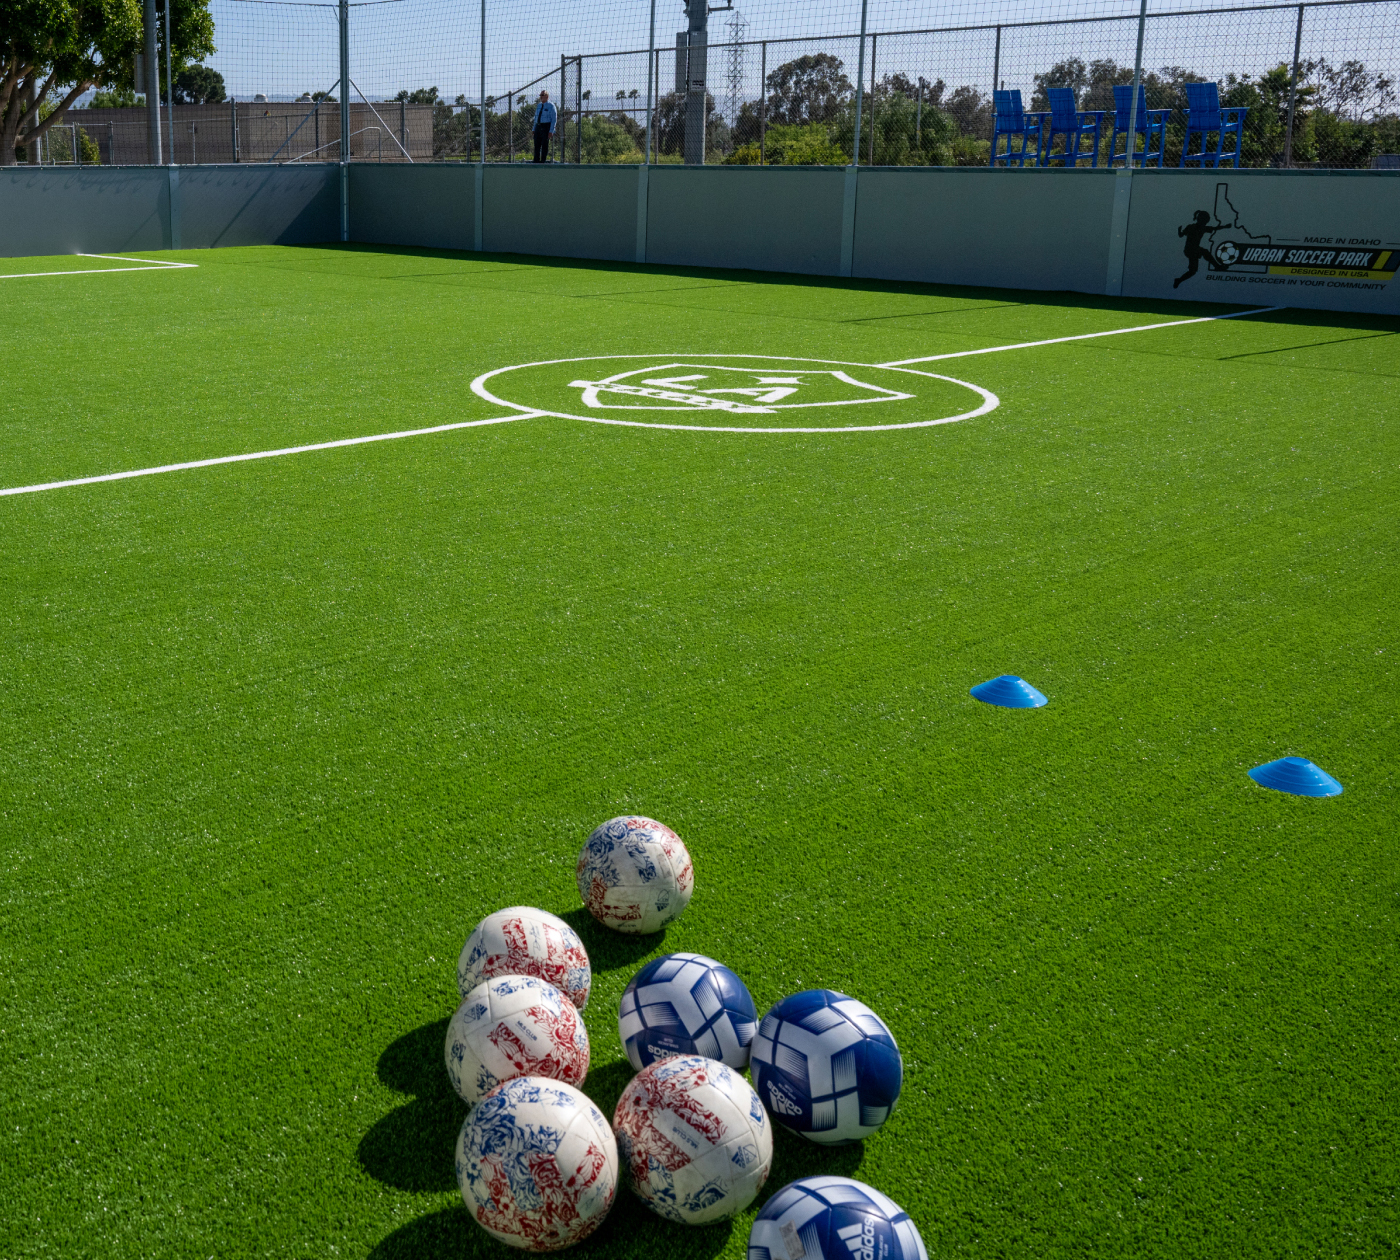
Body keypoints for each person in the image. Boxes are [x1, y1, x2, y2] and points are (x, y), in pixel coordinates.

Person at [1174, 210, 1213, 289]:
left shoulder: (1203, 228)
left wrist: (1224, 227)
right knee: (1204, 251)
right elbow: (1181, 235)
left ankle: (1179, 280)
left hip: (1194, 250)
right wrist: (1179, 230)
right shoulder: (1191, 227)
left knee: (1193, 271)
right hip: (1190, 250)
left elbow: (1214, 228)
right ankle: (1217, 266)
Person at [532, 91, 557, 163]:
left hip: (546, 126)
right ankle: (536, 161)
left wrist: (551, 130)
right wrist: (534, 128)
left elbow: (554, 119)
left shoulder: (551, 106)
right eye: (540, 95)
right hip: (538, 126)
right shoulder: (539, 105)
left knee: (544, 145)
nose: (541, 97)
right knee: (536, 145)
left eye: (542, 95)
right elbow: (536, 118)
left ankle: (543, 161)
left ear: (547, 97)